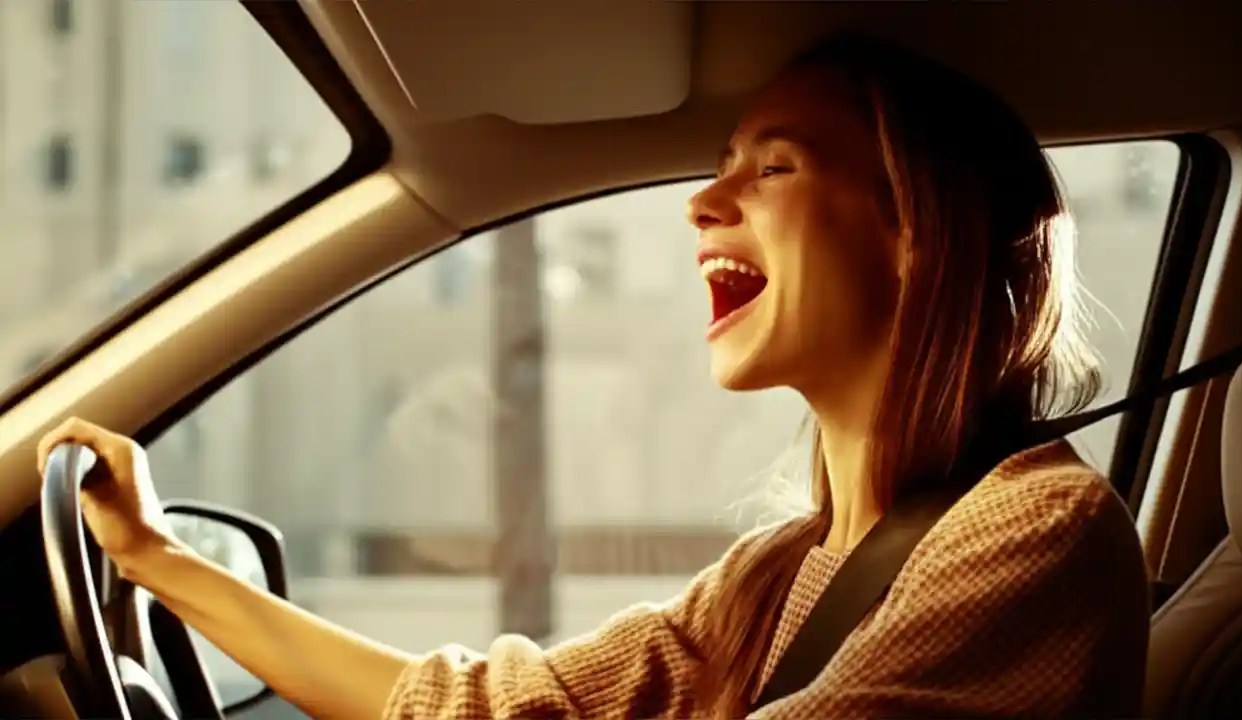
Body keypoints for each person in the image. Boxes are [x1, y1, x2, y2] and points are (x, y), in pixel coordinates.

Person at [37, 34, 1149, 720]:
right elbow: (485, 709)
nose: (701, 205)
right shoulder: (778, 570)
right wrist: (156, 561)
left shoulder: (1036, 532)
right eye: (716, 169)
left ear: (916, 232)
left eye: (772, 166)